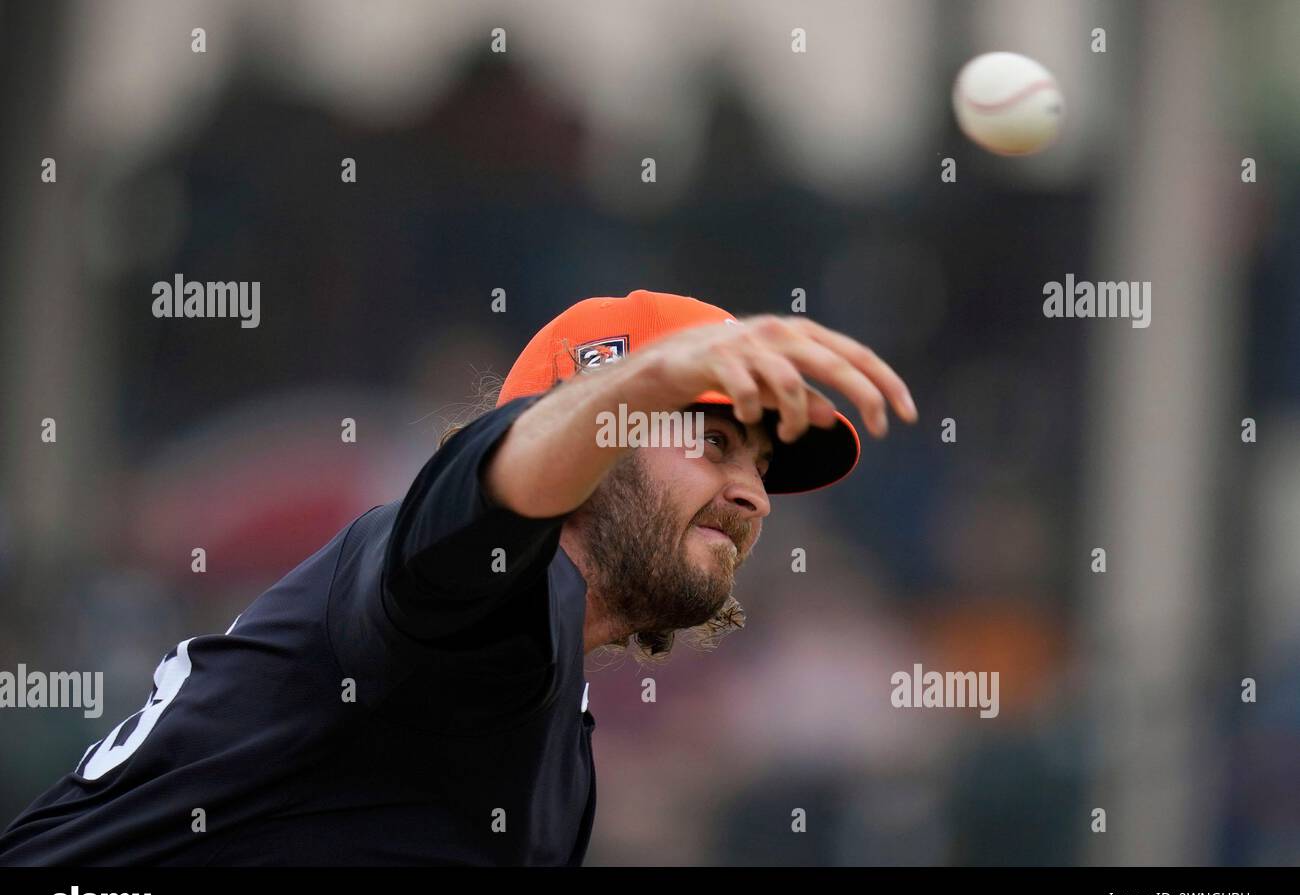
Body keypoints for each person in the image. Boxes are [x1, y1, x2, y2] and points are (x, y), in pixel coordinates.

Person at [0, 289, 916, 865]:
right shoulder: (463, 589)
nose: (753, 495)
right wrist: (637, 384)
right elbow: (490, 501)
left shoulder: (559, 734)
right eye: (713, 442)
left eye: (761, 466)